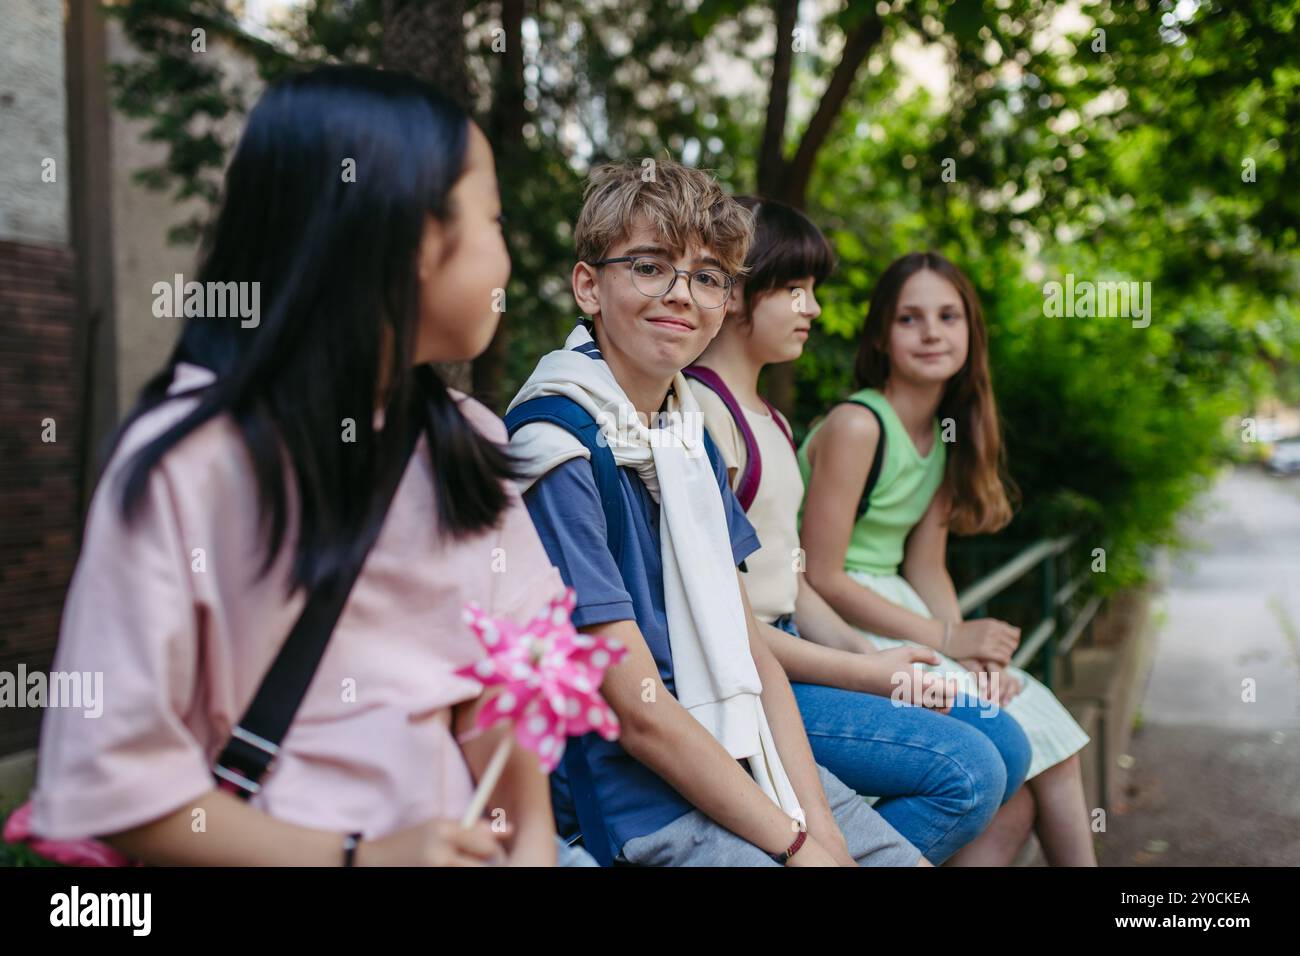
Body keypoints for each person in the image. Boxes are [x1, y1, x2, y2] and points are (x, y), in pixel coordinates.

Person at [28, 66, 572, 867]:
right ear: (420, 239)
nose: (508, 259)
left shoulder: (466, 446)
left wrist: (527, 835)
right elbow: (118, 786)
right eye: (491, 219)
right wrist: (360, 856)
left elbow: (502, 687)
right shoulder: (189, 465)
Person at [510, 160, 925, 866]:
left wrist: (818, 830)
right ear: (588, 285)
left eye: (706, 277)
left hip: (740, 751)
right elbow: (637, 713)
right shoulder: (556, 449)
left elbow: (751, 649)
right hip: (634, 799)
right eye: (649, 266)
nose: (681, 295)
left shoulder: (686, 429)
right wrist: (796, 847)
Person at [688, 198, 1033, 864]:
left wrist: (871, 661)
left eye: (813, 291)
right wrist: (860, 672)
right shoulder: (705, 417)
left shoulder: (774, 425)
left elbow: (793, 581)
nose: (812, 309)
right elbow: (720, 620)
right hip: (751, 684)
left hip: (798, 659)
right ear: (733, 293)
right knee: (971, 773)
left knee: (1009, 744)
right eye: (795, 290)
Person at [799, 251, 1097, 866]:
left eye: (948, 316)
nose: (932, 332)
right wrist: (946, 636)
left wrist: (974, 653)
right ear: (882, 334)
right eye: (910, 318)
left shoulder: (941, 435)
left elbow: (927, 566)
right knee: (1046, 753)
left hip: (899, 609)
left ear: (970, 332)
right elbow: (821, 573)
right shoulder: (858, 424)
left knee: (1019, 791)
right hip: (842, 622)